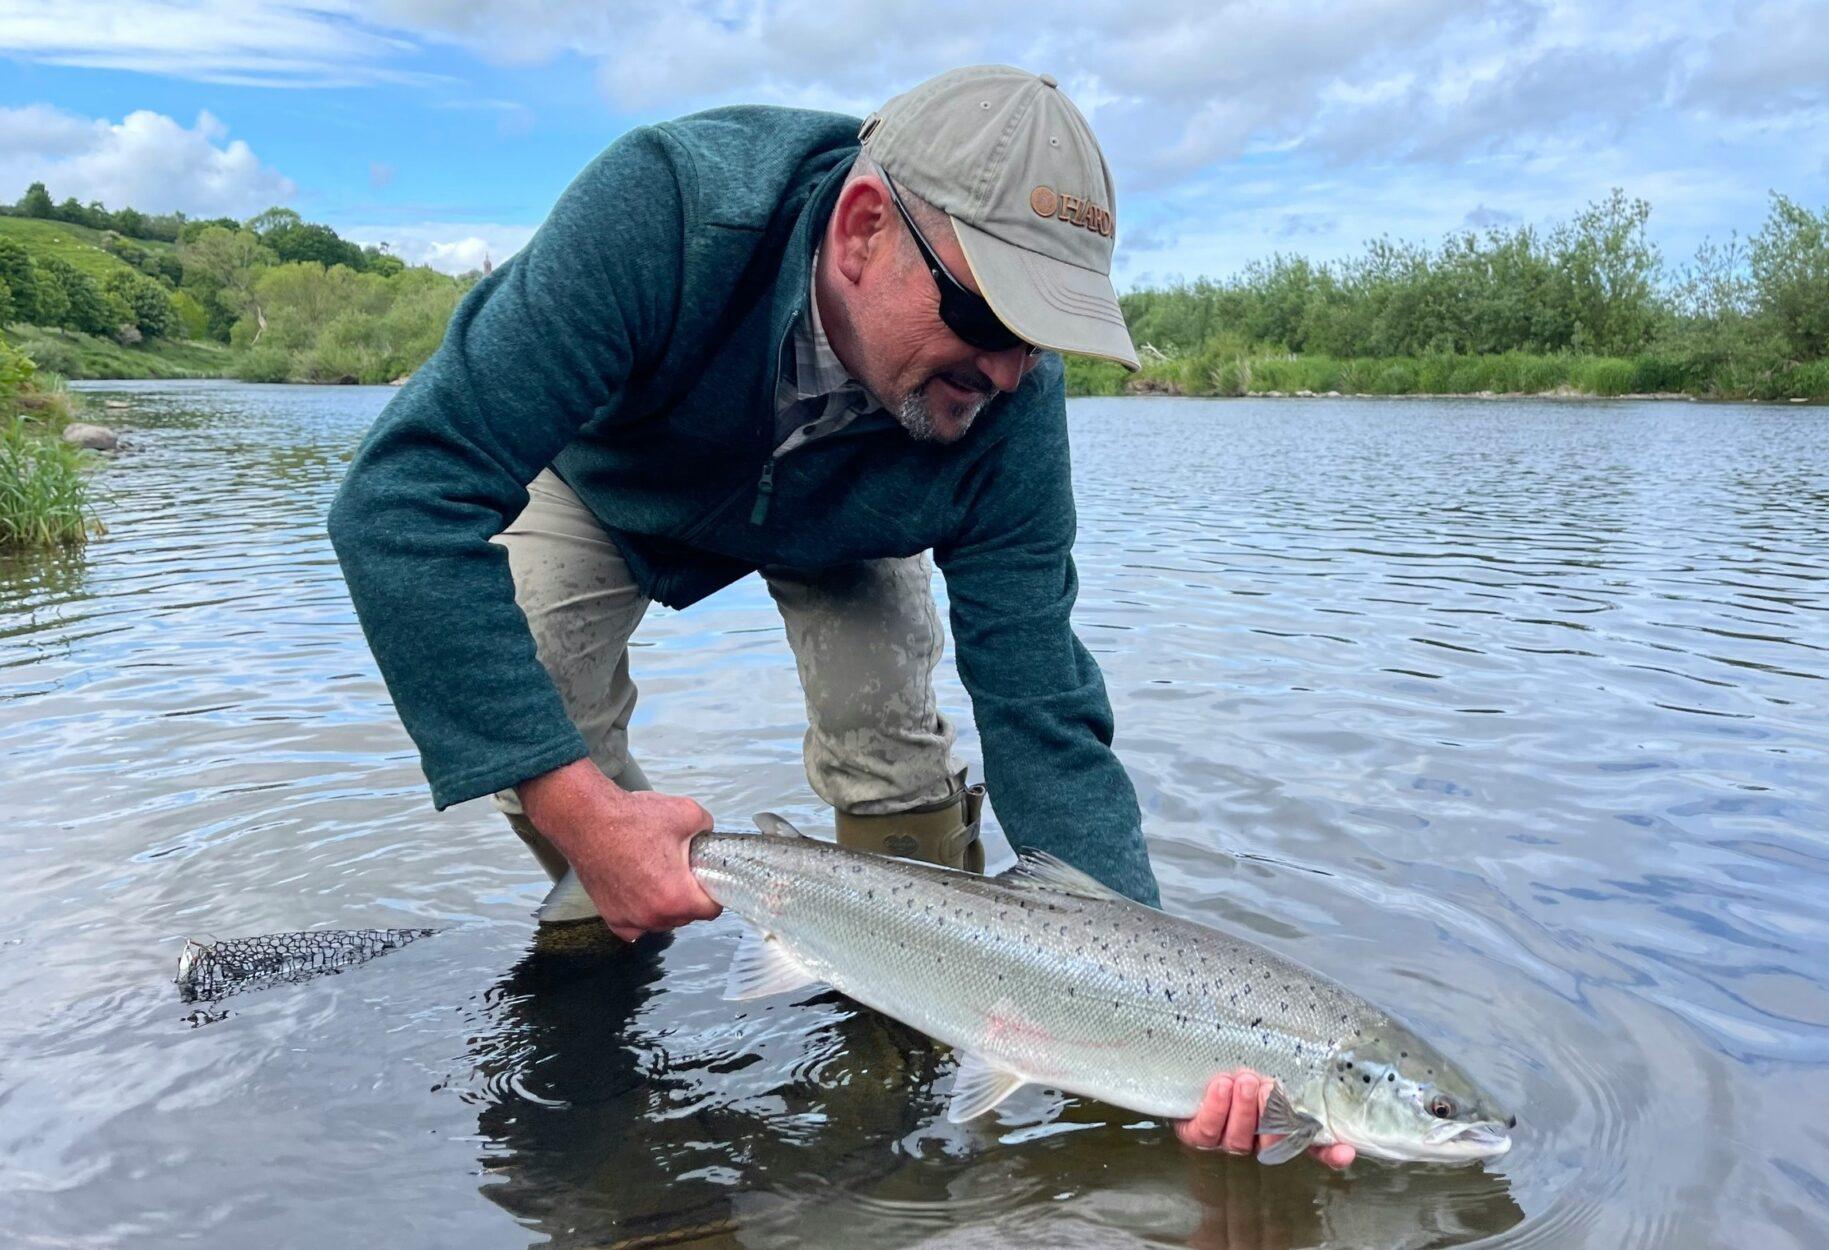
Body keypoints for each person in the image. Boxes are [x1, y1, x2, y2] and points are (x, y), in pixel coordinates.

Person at [327, 64, 1349, 1168]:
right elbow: (401, 500)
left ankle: (904, 1033)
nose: (1008, 373)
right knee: (540, 694)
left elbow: (1039, 700)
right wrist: (575, 804)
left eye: (1040, 337)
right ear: (862, 230)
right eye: (987, 315)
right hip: (612, 479)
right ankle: (605, 926)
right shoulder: (668, 210)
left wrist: (1160, 1005)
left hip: (850, 512)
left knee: (889, 741)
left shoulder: (1000, 403)